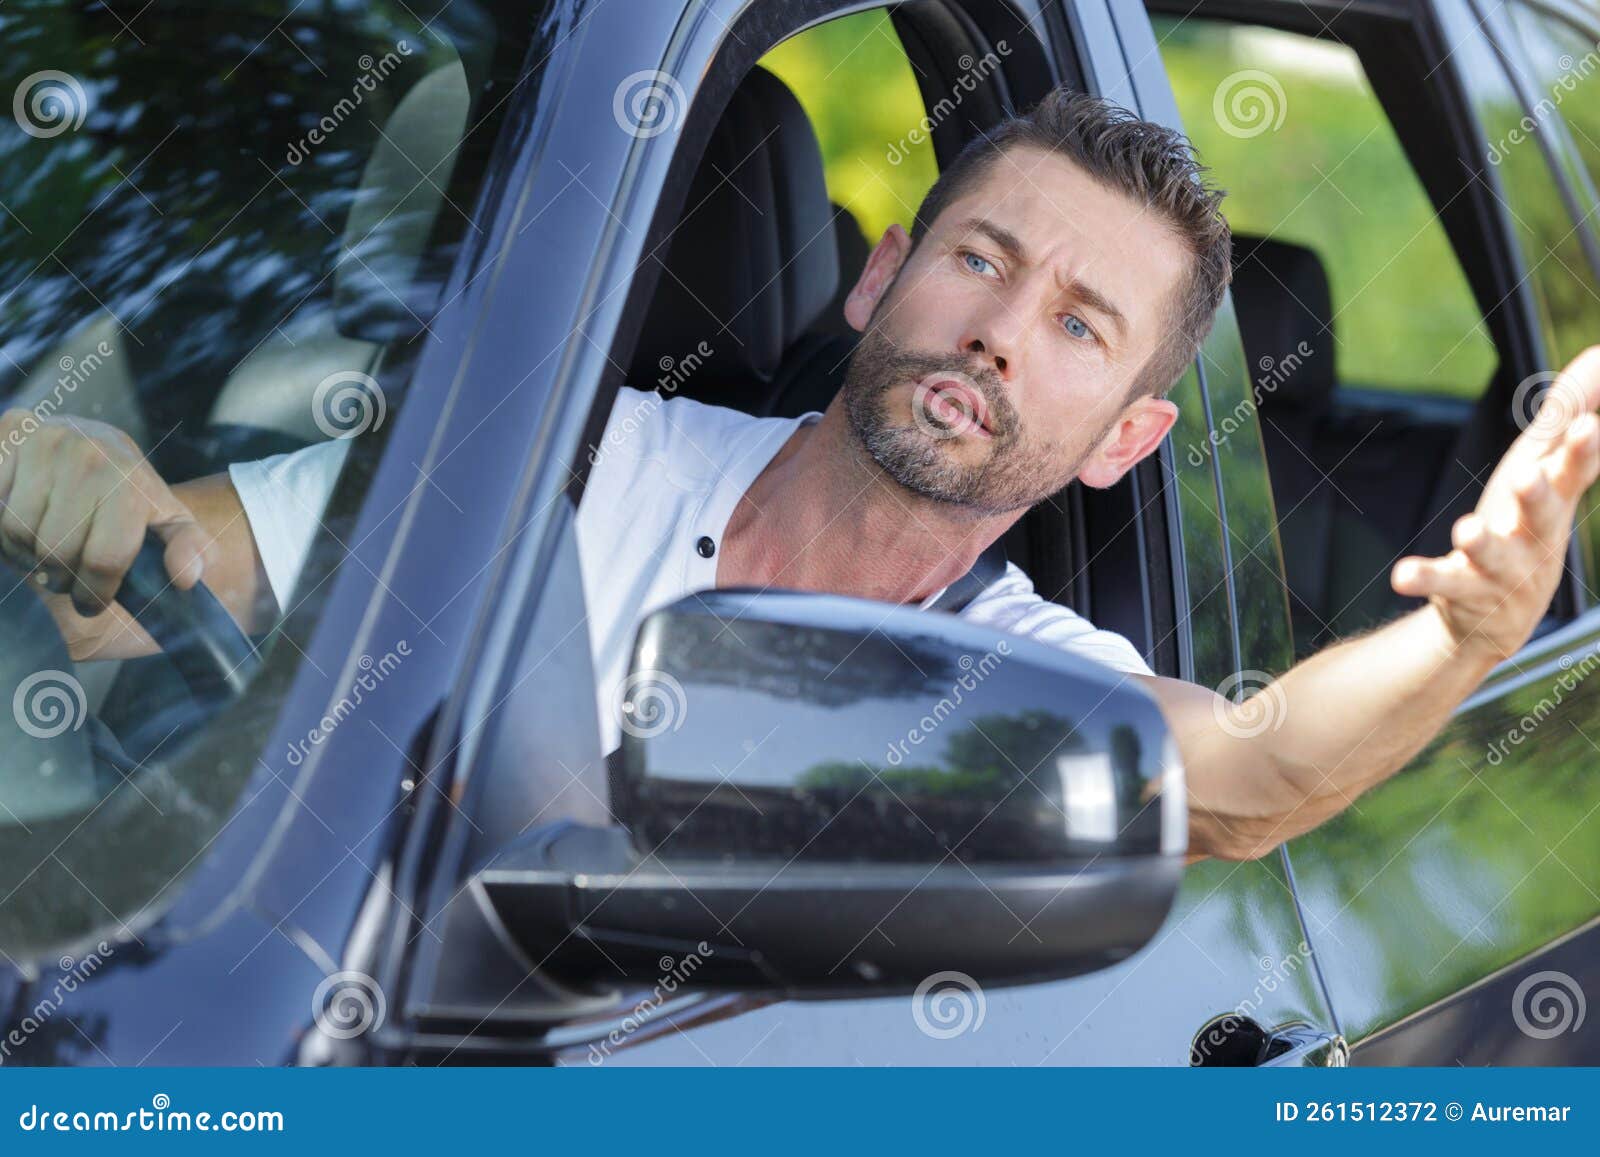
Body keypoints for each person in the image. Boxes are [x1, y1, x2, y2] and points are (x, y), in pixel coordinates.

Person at [3, 90, 1597, 862]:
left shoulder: (1017, 673)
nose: (994, 334)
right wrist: (79, 476)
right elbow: (141, 587)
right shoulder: (565, 461)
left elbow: (1250, 777)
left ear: (1127, 438)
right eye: (980, 258)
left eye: (1077, 323)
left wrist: (1462, 641)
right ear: (878, 280)